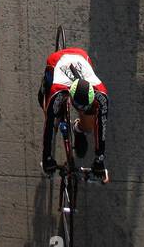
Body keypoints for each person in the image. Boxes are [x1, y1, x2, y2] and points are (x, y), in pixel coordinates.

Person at [39, 45, 109, 180]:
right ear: (69, 95)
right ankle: (60, 114)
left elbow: (101, 126)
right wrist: (47, 157)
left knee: (89, 123)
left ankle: (78, 129)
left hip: (81, 56)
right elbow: (48, 126)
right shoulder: (58, 91)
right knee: (49, 111)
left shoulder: (101, 94)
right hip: (56, 62)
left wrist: (99, 159)